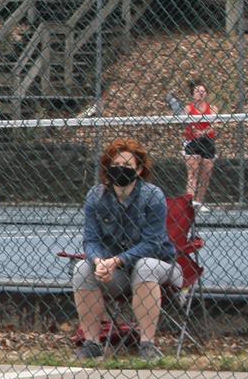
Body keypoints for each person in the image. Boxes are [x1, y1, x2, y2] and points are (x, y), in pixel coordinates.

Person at [71, 137, 176, 362]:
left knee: (145, 266)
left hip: (159, 266)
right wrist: (99, 261)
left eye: (127, 166)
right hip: (114, 271)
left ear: (138, 170)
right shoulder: (95, 196)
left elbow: (152, 243)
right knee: (82, 268)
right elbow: (90, 239)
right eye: (115, 166)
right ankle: (92, 344)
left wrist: (117, 260)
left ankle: (147, 345)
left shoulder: (153, 196)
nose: (121, 171)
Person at [176, 80, 219, 212]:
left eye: (202, 91)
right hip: (192, 143)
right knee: (192, 173)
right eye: (197, 91)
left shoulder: (212, 109)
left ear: (206, 94)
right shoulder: (188, 109)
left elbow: (215, 125)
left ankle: (199, 203)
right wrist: (192, 131)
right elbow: (183, 125)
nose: (200, 93)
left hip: (208, 142)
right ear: (192, 94)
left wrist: (203, 132)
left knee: (205, 175)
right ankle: (190, 202)